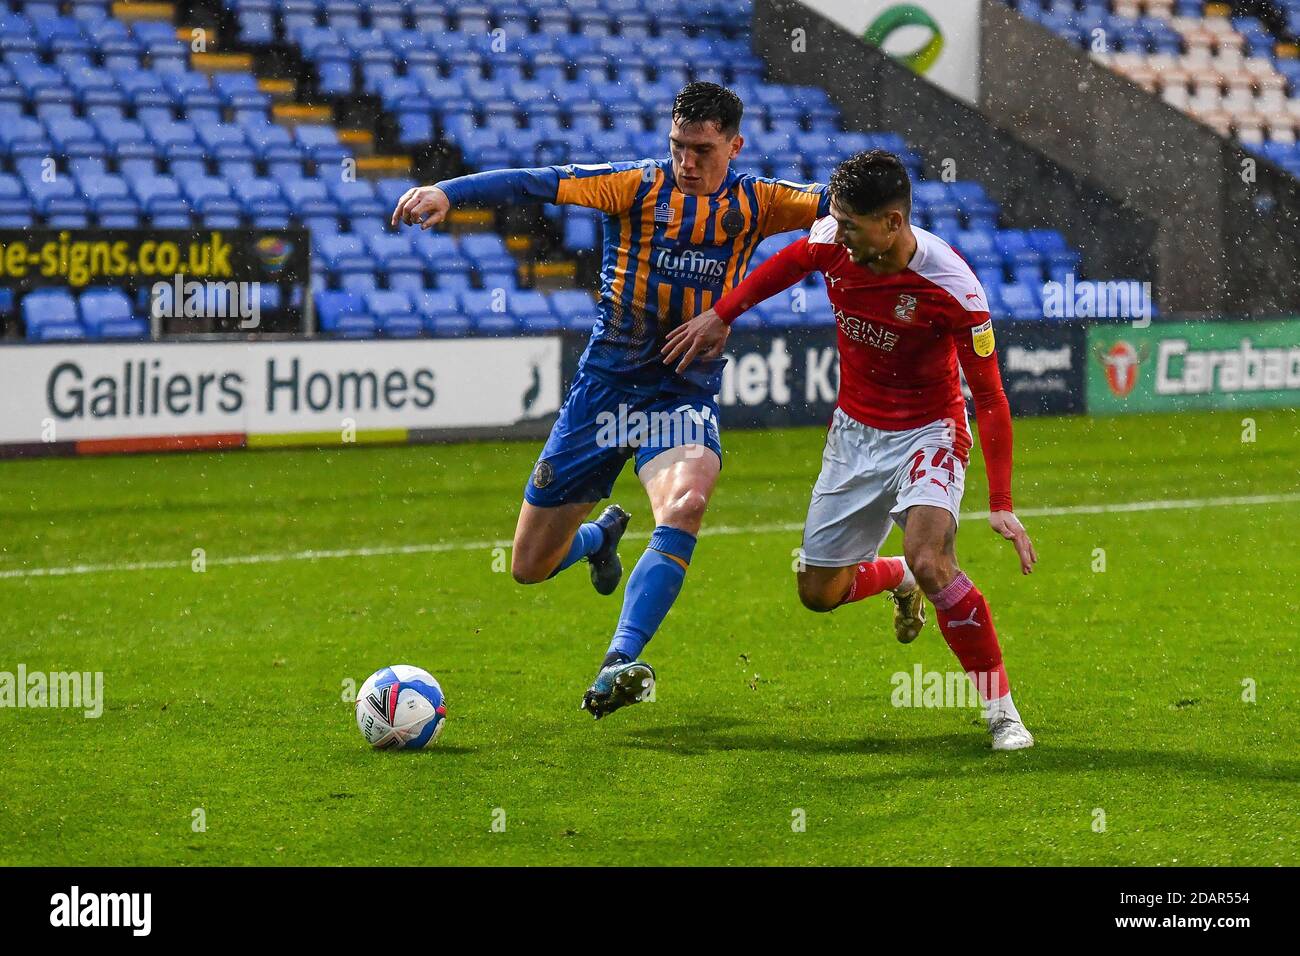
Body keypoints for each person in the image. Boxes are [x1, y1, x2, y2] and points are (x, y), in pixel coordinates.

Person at [392, 82, 829, 719]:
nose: (687, 160)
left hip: (681, 393)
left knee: (687, 502)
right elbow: (534, 183)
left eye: (702, 150)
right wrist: (449, 192)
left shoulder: (760, 203)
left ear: (734, 146)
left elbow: (843, 203)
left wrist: (900, 225)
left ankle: (618, 662)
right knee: (529, 567)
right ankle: (598, 539)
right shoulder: (633, 186)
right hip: (602, 394)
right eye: (679, 145)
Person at [663, 149, 1038, 750]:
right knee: (818, 594)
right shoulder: (833, 240)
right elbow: (787, 263)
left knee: (933, 559)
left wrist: (1001, 501)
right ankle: (895, 576)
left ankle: (1003, 713)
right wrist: (721, 314)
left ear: (892, 223)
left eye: (851, 226)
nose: (837, 237)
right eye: (835, 223)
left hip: (930, 432)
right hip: (853, 436)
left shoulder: (953, 287)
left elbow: (990, 398)